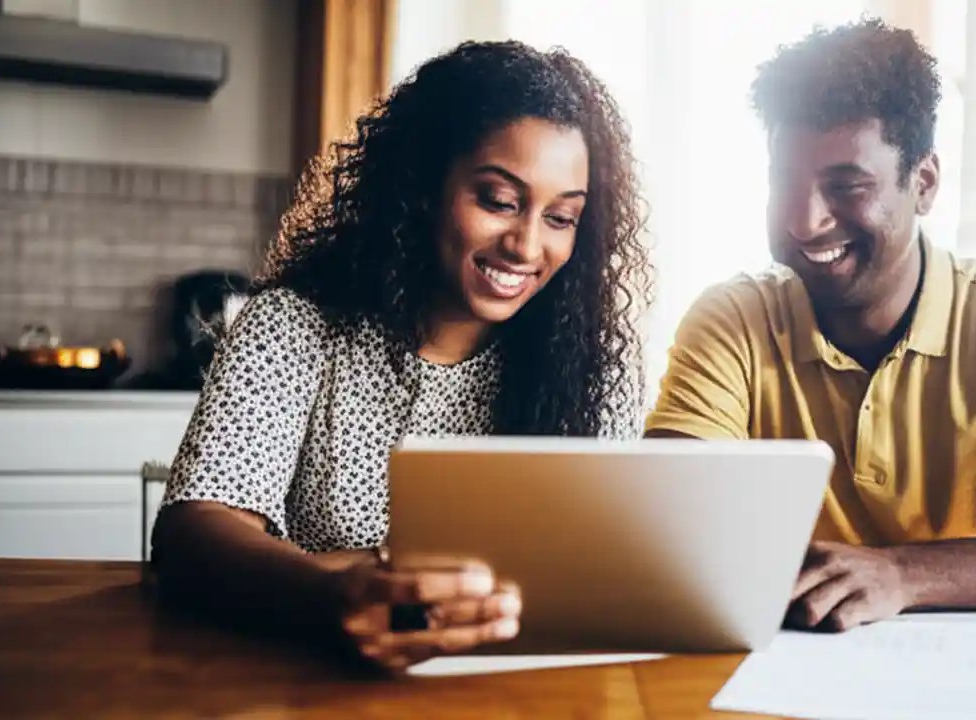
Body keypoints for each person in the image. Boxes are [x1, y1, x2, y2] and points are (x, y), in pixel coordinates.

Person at [646, 19, 976, 631]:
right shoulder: (732, 320)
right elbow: (666, 529)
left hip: (969, 675)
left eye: (845, 186)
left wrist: (901, 574)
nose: (804, 220)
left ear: (922, 183)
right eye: (784, 181)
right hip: (789, 663)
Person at [151, 41, 651, 673]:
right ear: (422, 184)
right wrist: (329, 595)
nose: (527, 245)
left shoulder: (594, 369)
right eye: (498, 201)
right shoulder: (293, 326)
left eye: (561, 217)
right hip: (313, 681)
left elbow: (607, 568)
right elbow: (194, 531)